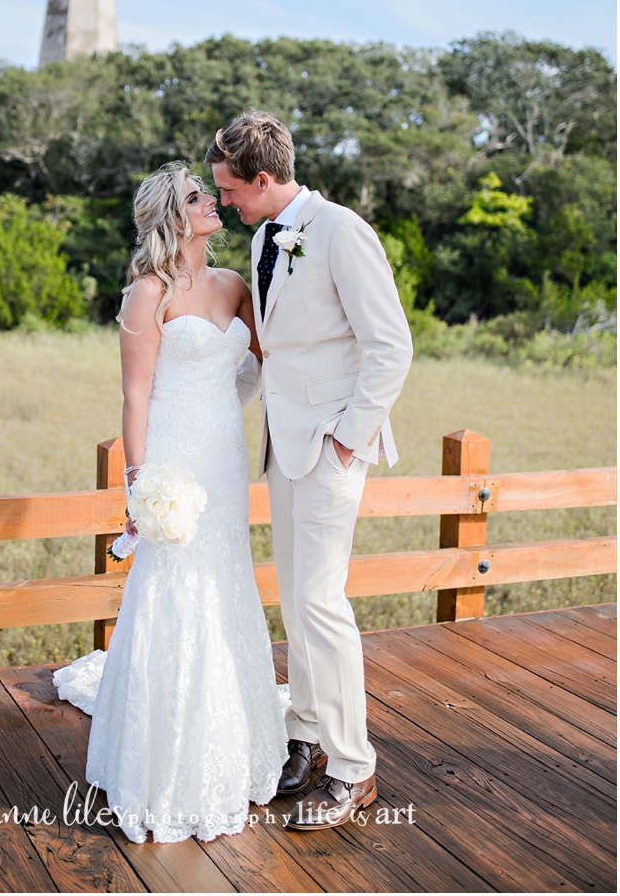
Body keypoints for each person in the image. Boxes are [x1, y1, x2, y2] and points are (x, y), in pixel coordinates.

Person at [53, 164, 287, 844]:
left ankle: (233, 749)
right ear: (171, 217)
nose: (211, 201)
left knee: (226, 587)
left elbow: (264, 361)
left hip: (225, 456)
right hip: (174, 464)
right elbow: (134, 397)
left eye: (207, 194)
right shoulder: (146, 295)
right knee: (175, 592)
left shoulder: (236, 285)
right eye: (196, 196)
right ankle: (165, 766)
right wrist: (140, 484)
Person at [206, 110, 413, 832]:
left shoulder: (342, 231)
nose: (225, 201)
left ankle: (355, 769)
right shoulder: (267, 235)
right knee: (295, 599)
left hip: (329, 446)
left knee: (322, 601)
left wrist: (350, 439)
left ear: (263, 179)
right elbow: (274, 353)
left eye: (229, 189)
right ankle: (307, 735)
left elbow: (391, 345)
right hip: (280, 446)